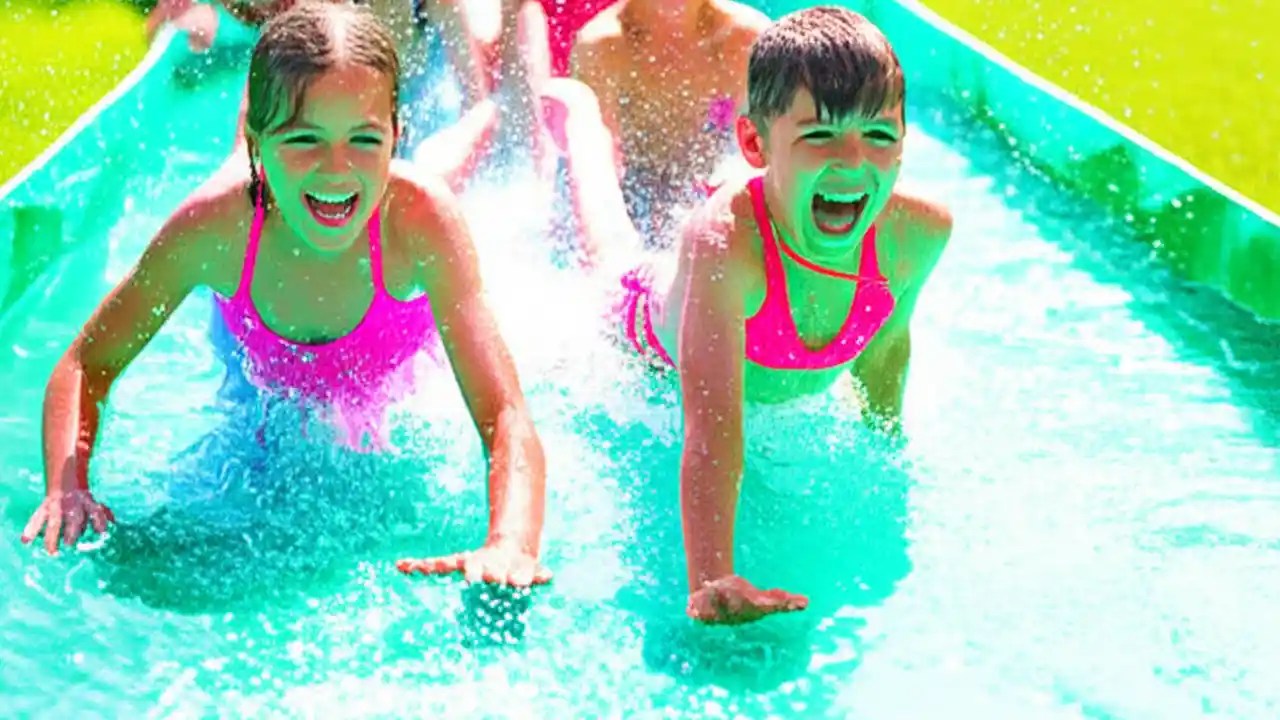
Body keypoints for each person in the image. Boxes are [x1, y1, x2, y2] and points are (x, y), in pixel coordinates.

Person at [20, 2, 551, 589]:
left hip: (390, 343)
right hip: (259, 359)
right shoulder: (213, 229)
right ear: (257, 140)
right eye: (303, 139)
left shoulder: (420, 221)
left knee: (440, 173)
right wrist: (67, 489)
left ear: (394, 132)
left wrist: (509, 543)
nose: (336, 169)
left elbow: (504, 413)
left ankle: (482, 120)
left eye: (364, 139)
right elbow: (85, 361)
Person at [606, 6, 952, 623]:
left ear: (904, 142)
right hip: (642, 330)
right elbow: (713, 434)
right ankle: (582, 126)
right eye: (819, 135)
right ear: (754, 144)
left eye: (878, 135)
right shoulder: (725, 250)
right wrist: (713, 577)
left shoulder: (917, 236)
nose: (852, 161)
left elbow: (887, 347)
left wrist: (885, 463)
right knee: (603, 241)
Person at [538, 0, 769, 266]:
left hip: (708, 193)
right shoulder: (603, 48)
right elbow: (597, 173)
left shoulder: (746, 38)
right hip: (628, 203)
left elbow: (770, 152)